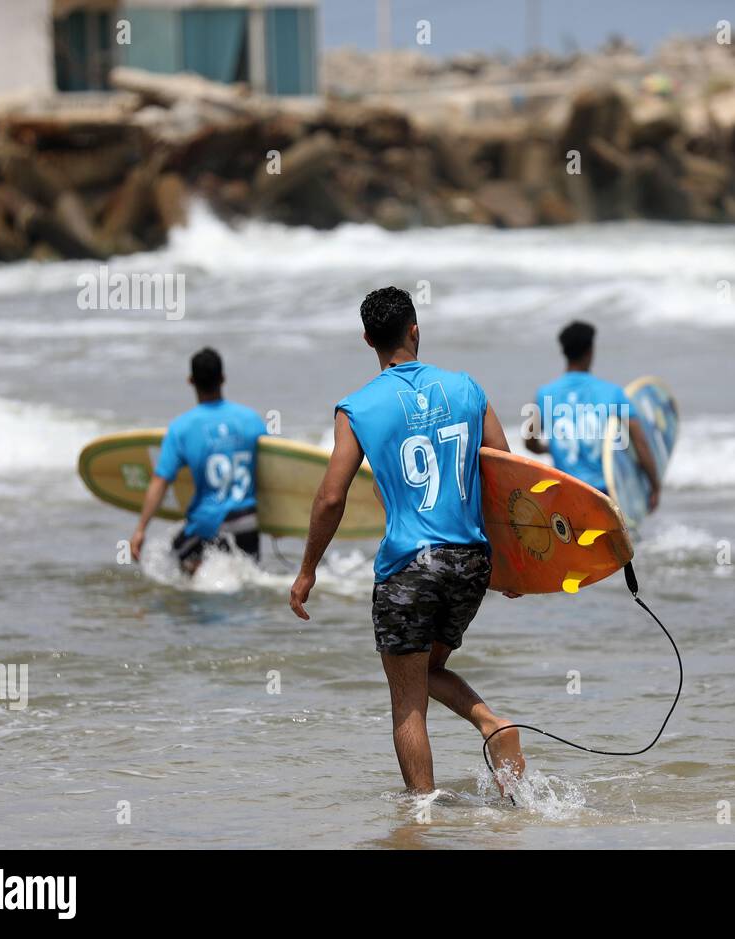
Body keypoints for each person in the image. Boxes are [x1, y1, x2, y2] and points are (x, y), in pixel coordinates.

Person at [287, 286, 525, 797]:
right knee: (430, 668)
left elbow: (331, 497)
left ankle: (421, 819)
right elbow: (507, 476)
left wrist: (307, 569)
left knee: (407, 700)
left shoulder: (357, 408)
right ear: (415, 330)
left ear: (367, 339)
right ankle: (492, 723)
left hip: (409, 568)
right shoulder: (466, 388)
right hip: (469, 563)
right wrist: (512, 564)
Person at [130, 348, 267, 572]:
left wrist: (140, 529)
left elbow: (161, 481)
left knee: (174, 563)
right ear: (223, 378)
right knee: (245, 578)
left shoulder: (182, 428)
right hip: (247, 524)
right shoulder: (251, 420)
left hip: (209, 524)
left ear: (190, 381)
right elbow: (271, 472)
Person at [524, 320, 661, 511]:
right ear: (590, 351)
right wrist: (654, 485)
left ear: (564, 352)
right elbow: (641, 444)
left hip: (566, 493)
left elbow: (529, 443)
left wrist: (550, 448)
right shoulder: (613, 393)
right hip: (604, 496)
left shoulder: (544, 394)